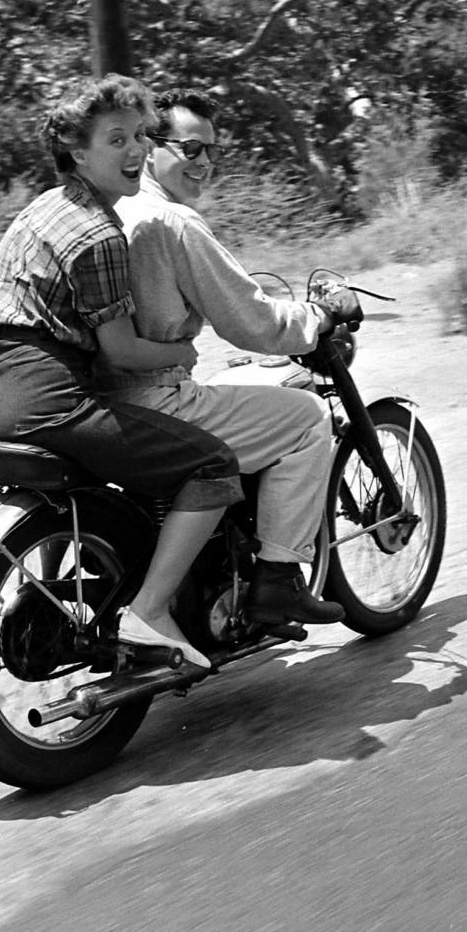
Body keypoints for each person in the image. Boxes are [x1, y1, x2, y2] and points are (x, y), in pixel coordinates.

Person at [0, 73, 244, 671]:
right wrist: (181, 353)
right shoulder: (99, 234)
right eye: (116, 139)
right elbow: (121, 354)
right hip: (46, 401)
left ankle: (68, 591)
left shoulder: (44, 208)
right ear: (77, 150)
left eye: (140, 135)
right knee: (212, 464)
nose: (136, 150)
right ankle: (152, 612)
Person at [96, 87, 361, 628]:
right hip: (156, 397)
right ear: (149, 146)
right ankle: (279, 581)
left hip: (94, 401)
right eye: (191, 149)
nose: (204, 163)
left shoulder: (107, 208)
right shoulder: (172, 222)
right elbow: (251, 322)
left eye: (212, 151)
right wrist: (318, 316)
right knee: (307, 417)